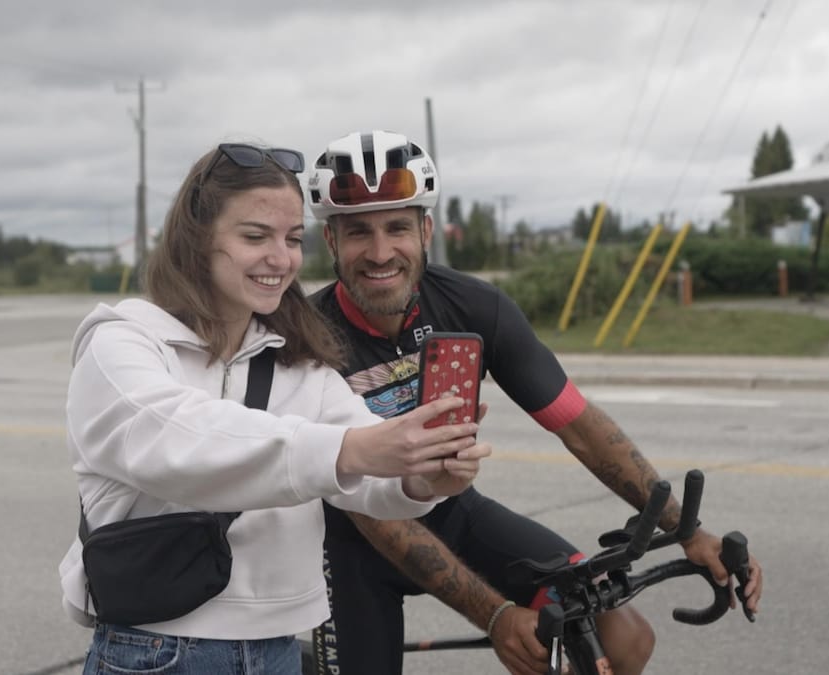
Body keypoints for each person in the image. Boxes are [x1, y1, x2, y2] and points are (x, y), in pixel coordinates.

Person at [306, 130, 764, 675]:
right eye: (358, 232)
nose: (380, 253)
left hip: (451, 509)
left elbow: (578, 425)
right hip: (351, 541)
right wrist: (495, 613)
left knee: (620, 641)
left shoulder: (474, 306)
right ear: (331, 242)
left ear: (425, 230)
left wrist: (685, 529)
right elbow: (366, 508)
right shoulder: (306, 339)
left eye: (397, 227)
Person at [58, 141, 492, 674]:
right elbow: (180, 442)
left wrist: (423, 475)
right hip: (155, 651)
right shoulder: (122, 345)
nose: (281, 258)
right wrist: (354, 449)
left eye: (291, 239)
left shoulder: (299, 364)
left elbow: (367, 475)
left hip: (278, 649)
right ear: (197, 240)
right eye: (255, 236)